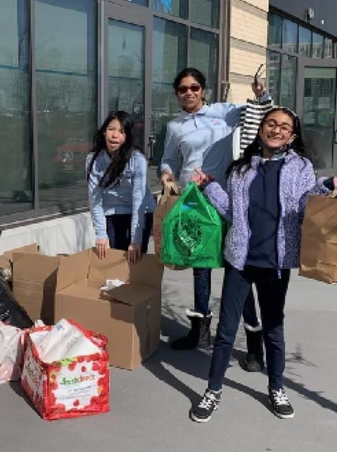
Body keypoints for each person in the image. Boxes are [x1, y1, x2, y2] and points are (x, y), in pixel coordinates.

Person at [188, 107, 337, 422]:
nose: (277, 130)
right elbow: (232, 211)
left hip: (276, 262)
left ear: (292, 136)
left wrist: (328, 184)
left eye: (285, 127)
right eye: (271, 124)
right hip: (240, 259)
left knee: (274, 329)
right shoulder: (241, 169)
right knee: (226, 330)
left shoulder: (300, 167)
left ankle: (276, 388)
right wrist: (209, 186)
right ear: (261, 129)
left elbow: (304, 206)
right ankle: (213, 390)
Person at [159, 67, 267, 358]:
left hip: (224, 198)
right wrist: (167, 175)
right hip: (192, 202)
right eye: (183, 89)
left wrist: (261, 94)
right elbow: (168, 159)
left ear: (203, 90)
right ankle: (200, 332)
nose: (189, 93)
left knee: (237, 267)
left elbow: (259, 114)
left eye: (194, 87)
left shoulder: (224, 113)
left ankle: (254, 343)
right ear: (177, 94)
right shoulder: (175, 126)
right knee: (200, 266)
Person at [87, 111, 157, 263]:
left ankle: (136, 286)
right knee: (116, 259)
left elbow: (139, 199)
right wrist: (101, 234)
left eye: (122, 131)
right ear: (104, 131)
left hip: (140, 212)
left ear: (127, 137)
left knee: (136, 259)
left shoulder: (137, 160)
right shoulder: (94, 160)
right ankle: (120, 287)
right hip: (112, 212)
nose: (115, 135)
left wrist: (136, 240)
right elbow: (95, 199)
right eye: (111, 129)